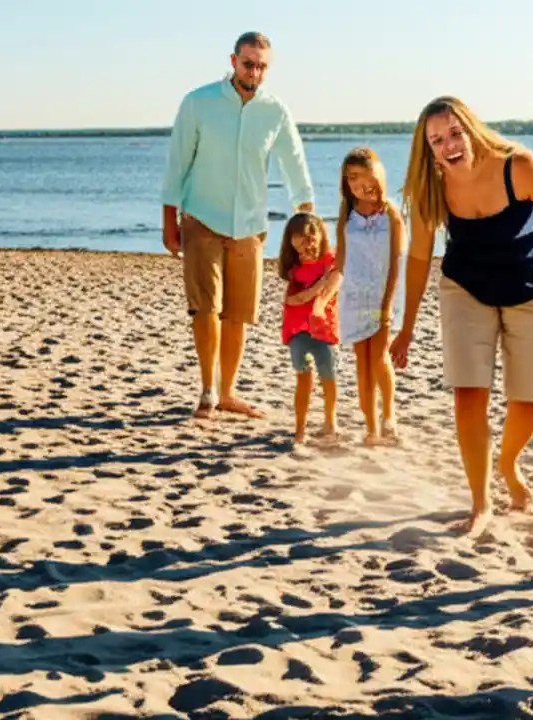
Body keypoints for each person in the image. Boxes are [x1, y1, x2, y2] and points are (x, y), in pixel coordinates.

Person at [390, 96, 533, 537]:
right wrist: (406, 327)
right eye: (436, 140)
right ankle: (481, 504)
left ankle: (508, 463)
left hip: (532, 288)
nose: (448, 146)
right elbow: (419, 257)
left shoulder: (517, 166)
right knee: (468, 395)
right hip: (467, 289)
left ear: (471, 129)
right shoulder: (430, 186)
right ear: (428, 149)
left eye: (454, 133)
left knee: (529, 401)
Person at [160, 31, 314, 420]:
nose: (255, 72)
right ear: (233, 61)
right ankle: (208, 390)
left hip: (249, 224)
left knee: (238, 314)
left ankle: (228, 392)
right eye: (248, 63)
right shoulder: (198, 103)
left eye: (262, 66)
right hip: (201, 219)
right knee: (206, 309)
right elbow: (177, 162)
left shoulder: (275, 112)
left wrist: (307, 215)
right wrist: (169, 219)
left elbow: (293, 162)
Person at [336, 147, 406, 446]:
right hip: (353, 296)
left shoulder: (391, 213)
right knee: (361, 363)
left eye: (362, 177)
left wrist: (387, 303)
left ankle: (389, 417)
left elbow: (396, 262)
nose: (357, 184)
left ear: (377, 177)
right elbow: (339, 262)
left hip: (382, 295)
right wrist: (322, 295)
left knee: (379, 357)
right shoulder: (346, 213)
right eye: (351, 178)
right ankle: (370, 426)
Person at [278, 213, 342, 445]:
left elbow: (333, 283)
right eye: (300, 239)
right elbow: (292, 299)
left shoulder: (331, 260)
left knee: (328, 374)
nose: (307, 243)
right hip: (297, 328)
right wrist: (312, 290)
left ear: (320, 234)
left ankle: (330, 421)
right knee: (303, 374)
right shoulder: (293, 267)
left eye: (311, 236)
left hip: (324, 326)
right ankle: (300, 428)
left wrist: (313, 293)